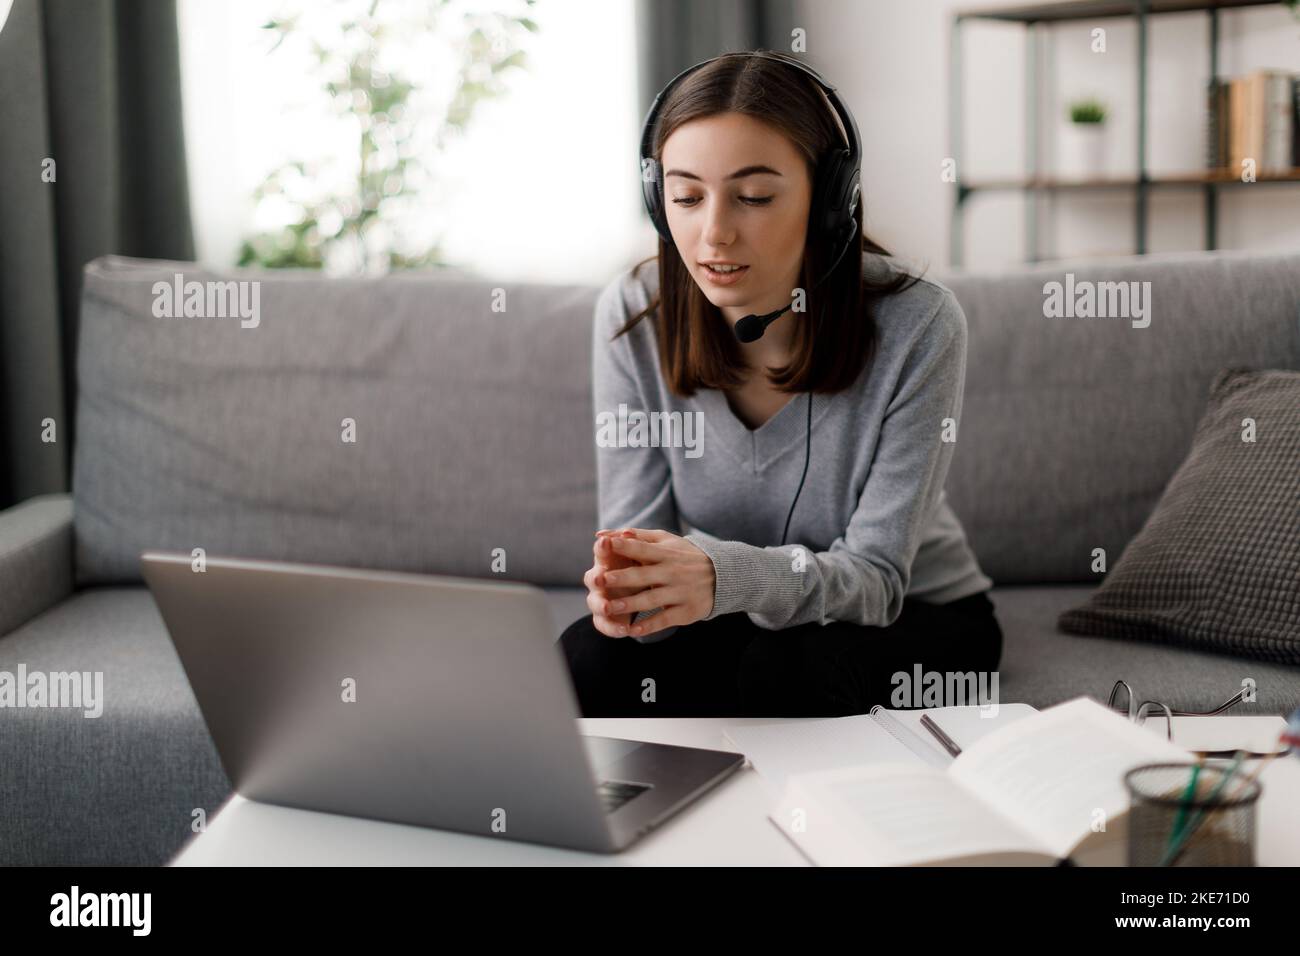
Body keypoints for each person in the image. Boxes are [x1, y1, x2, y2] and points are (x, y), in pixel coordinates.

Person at [560, 51, 1001, 717]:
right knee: (589, 659)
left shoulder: (922, 323)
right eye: (685, 196)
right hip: (736, 606)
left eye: (755, 196)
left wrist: (719, 577)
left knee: (790, 670)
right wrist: (638, 598)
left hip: (916, 611)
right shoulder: (633, 313)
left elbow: (877, 581)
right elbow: (639, 555)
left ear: (830, 200)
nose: (713, 232)